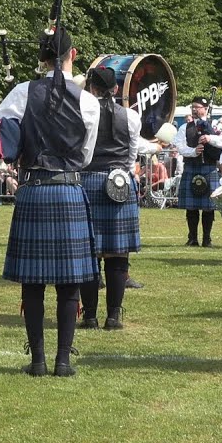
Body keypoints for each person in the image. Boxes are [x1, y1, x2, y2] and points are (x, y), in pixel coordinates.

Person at [0, 25, 100, 377]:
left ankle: (38, 361)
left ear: (41, 58)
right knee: (69, 281)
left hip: (32, 188)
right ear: (72, 55)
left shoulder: (21, 92)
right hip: (68, 188)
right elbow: (87, 154)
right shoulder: (87, 100)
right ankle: (63, 361)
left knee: (33, 282)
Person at [77, 66, 155, 330]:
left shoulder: (81, 112)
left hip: (87, 180)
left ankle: (89, 316)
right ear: (115, 89)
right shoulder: (131, 117)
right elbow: (132, 155)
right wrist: (120, 171)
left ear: (91, 88)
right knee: (118, 253)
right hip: (120, 182)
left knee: (89, 253)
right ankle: (114, 317)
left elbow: (80, 152)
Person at [175, 96, 222, 247]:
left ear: (205, 109)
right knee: (192, 207)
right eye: (193, 107)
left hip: (209, 168)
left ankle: (207, 239)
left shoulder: (216, 126)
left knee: (208, 207)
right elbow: (180, 146)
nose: (194, 110)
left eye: (197, 107)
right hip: (191, 166)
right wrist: (194, 151)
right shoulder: (185, 127)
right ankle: (192, 238)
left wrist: (210, 137)